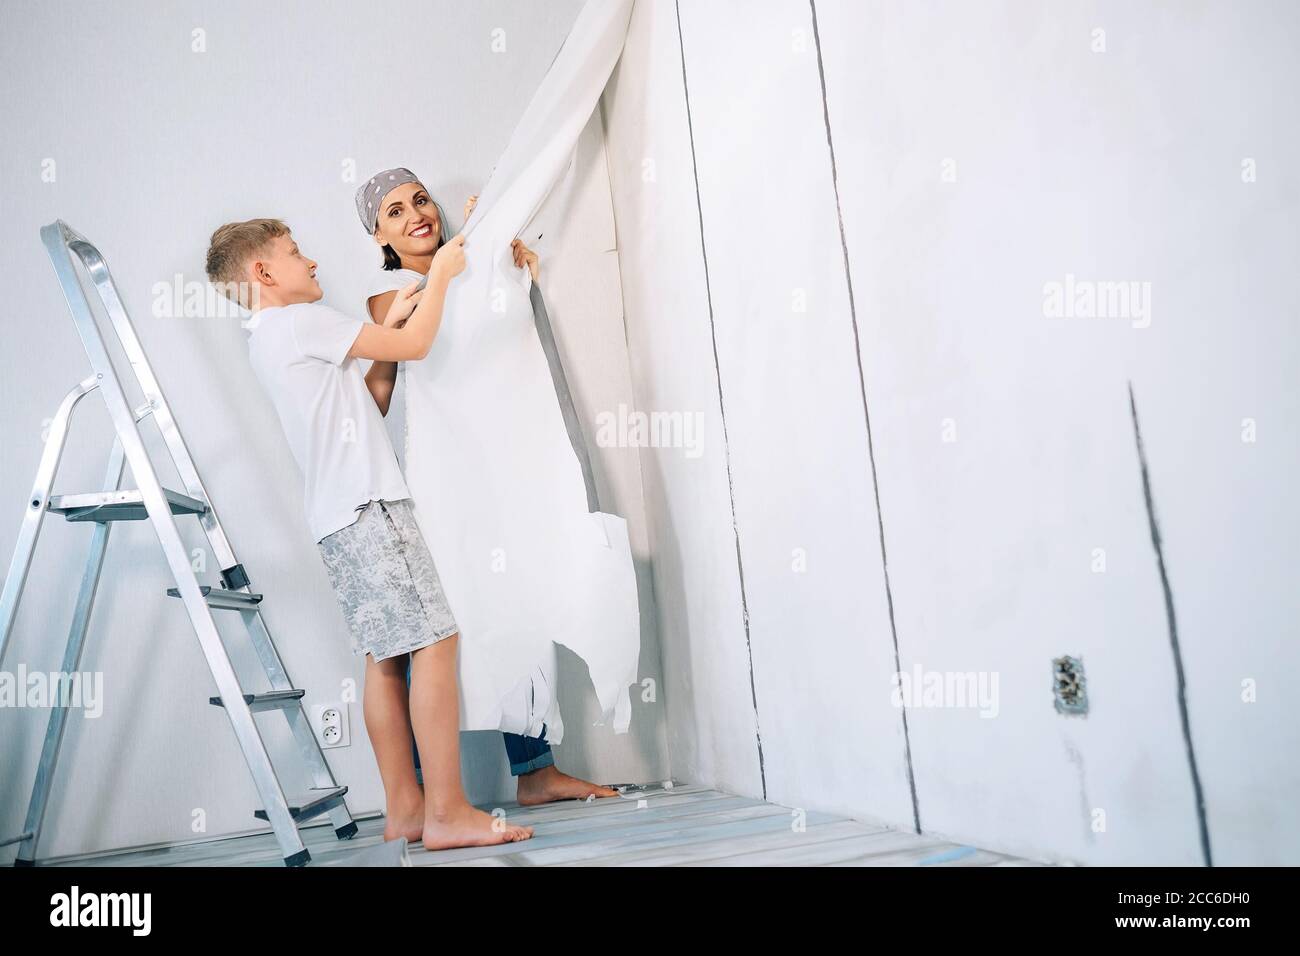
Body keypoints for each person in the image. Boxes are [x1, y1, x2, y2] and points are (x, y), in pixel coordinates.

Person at [204, 216, 534, 849]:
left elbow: (371, 398)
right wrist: (438, 278)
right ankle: (447, 813)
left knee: (385, 659)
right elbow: (414, 349)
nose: (313, 264)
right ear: (264, 273)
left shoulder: (269, 338)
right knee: (436, 644)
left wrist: (397, 320)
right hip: (372, 506)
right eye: (296, 254)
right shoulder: (303, 320)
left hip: (336, 518)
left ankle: (406, 810)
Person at [354, 166, 619, 805]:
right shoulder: (386, 302)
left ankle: (535, 771)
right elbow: (379, 395)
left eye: (420, 199)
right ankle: (419, 793)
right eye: (395, 211)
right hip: (441, 484)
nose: (416, 213)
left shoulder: (476, 267)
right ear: (380, 236)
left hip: (501, 475)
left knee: (517, 606)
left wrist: (503, 253)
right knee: (440, 628)